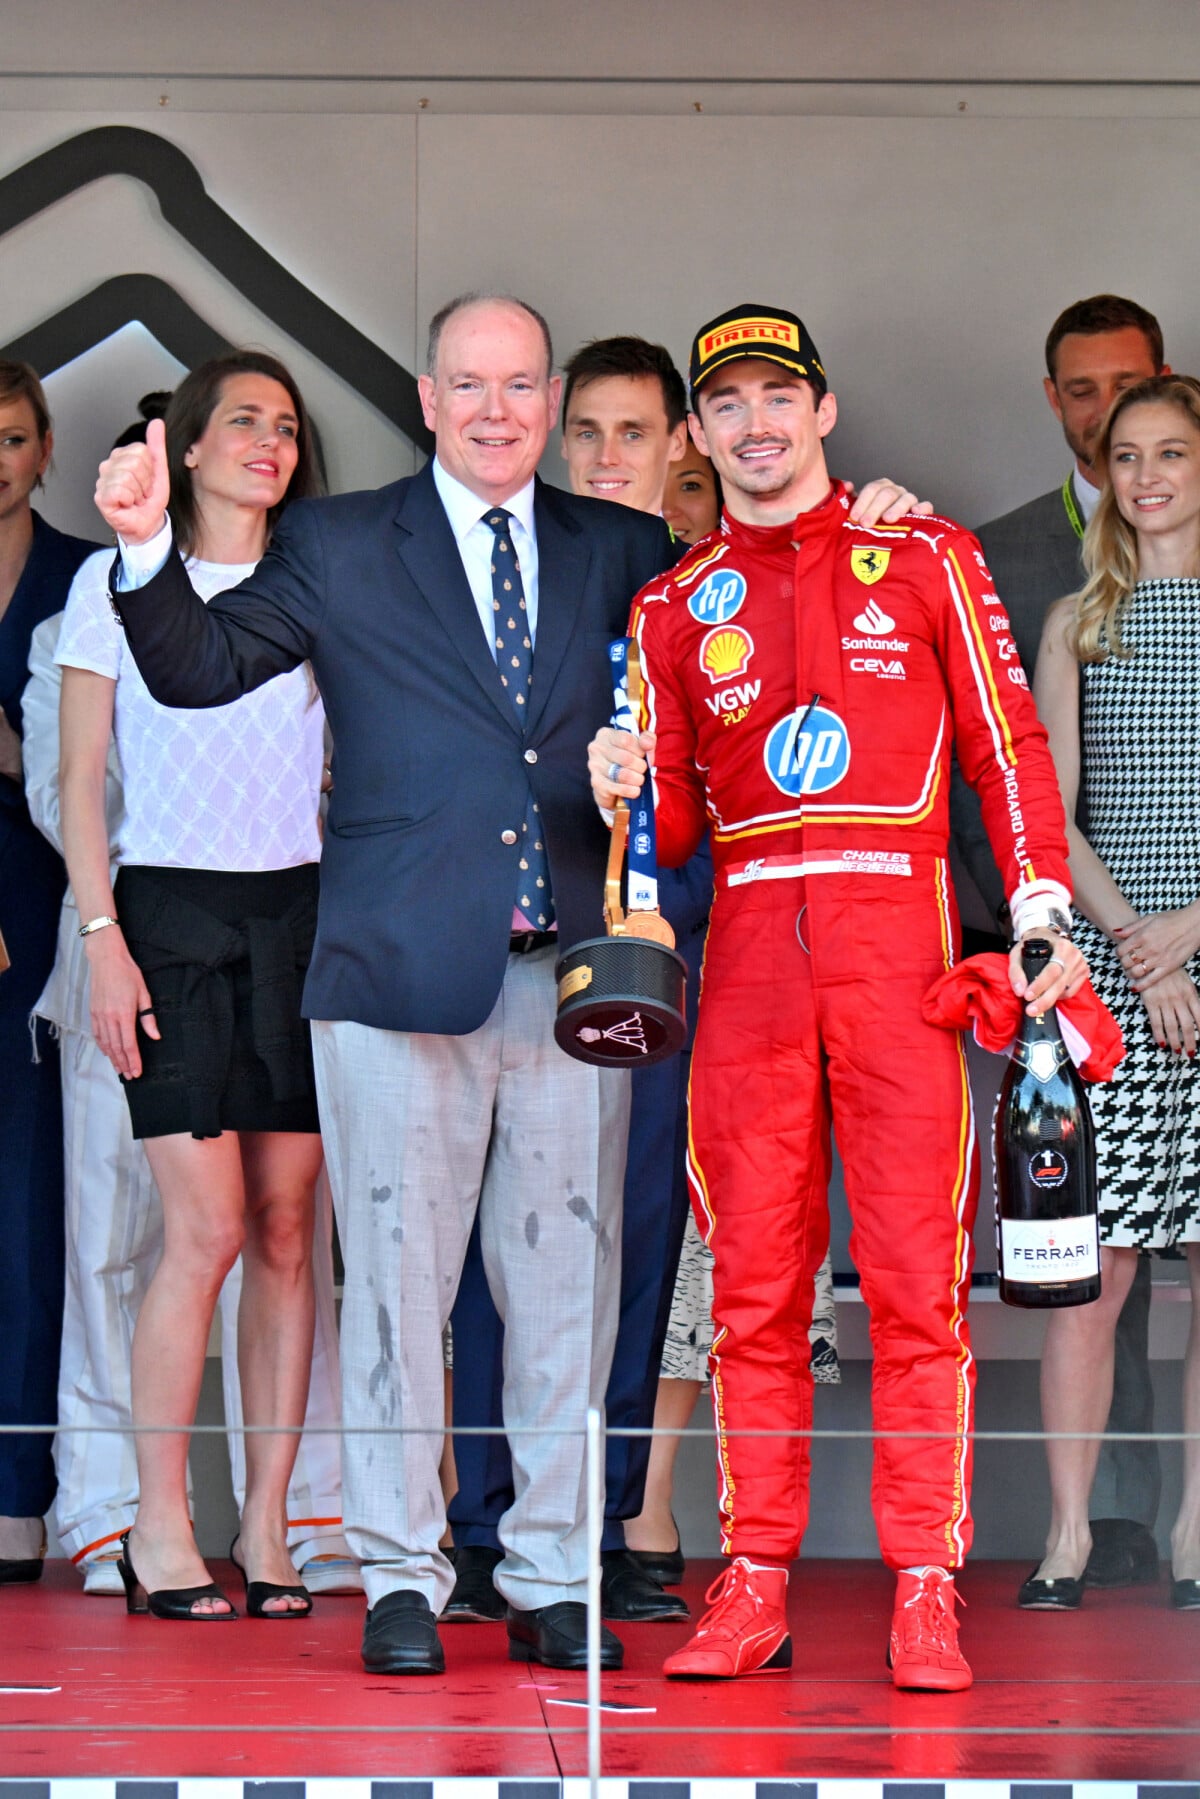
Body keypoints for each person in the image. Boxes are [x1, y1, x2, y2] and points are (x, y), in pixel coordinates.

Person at [92, 294, 679, 1676]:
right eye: (468, 384)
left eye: (519, 383)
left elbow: (721, 702)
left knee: (563, 1290)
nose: (495, 408)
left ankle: (550, 1571)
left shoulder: (628, 546)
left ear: (548, 397)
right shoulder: (342, 544)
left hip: (573, 973)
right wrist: (140, 547)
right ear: (426, 398)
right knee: (400, 1288)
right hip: (394, 971)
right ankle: (405, 1572)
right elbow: (194, 666)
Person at [589, 301, 1087, 1690]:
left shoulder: (925, 553)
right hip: (747, 953)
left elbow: (1006, 742)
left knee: (923, 1284)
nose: (755, 423)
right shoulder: (674, 603)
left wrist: (1039, 898)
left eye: (777, 396)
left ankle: (928, 1580)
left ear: (821, 409)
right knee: (752, 1288)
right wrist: (624, 786)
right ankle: (753, 1579)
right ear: (699, 431)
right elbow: (674, 830)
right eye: (727, 404)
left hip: (900, 947)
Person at [23, 499, 357, 1596]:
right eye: (243, 419)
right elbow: (74, 783)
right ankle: (156, 1523)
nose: (268, 442)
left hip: (299, 917)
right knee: (201, 1227)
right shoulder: (105, 585)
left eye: (284, 424)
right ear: (195, 445)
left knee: (285, 1229)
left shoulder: (314, 577)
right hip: (161, 916)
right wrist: (101, 937)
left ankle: (266, 1526)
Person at [957, 295, 1167, 1588]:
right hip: (1038, 951)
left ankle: (1150, 1506)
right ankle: (1062, 1521)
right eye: (1081, 391)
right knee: (1067, 1242)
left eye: (1127, 388)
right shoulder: (1001, 552)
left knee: (1156, 1239)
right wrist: (1033, 928)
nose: (1104, 415)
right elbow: (976, 763)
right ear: (1052, 398)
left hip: (1167, 942)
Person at [1023, 373, 1200, 1613]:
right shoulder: (1075, 620)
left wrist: (1191, 932)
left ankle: (1195, 1530)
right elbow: (1051, 816)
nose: (1147, 476)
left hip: (1187, 943)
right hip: (1113, 976)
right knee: (1101, 1269)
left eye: (1173, 453)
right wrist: (1144, 941)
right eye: (1128, 455)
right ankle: (1071, 1534)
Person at [0, 361, 98, 1583]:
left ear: (45, 447)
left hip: (46, 912)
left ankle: (18, 1492)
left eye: (13, 437)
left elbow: (96, 770)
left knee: (30, 1215)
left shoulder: (85, 576)